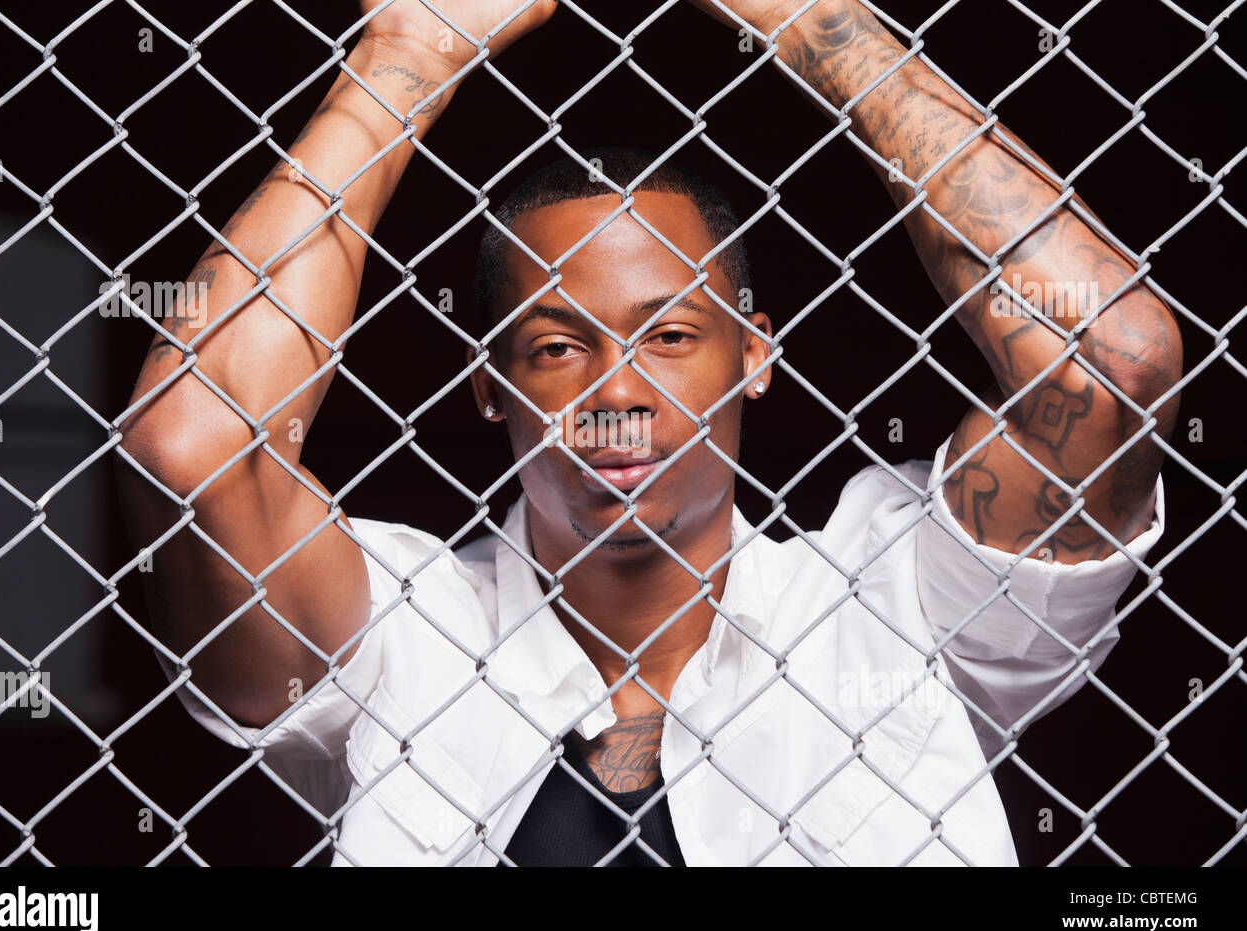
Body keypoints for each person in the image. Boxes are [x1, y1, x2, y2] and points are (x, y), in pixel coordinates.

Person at [115, 0, 1181, 865]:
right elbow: (195, 442)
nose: (615, 391)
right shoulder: (405, 634)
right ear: (489, 386)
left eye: (668, 334)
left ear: (755, 353)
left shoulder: (893, 605)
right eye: (554, 345)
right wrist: (407, 54)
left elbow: (1112, 360)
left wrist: (828, 29)